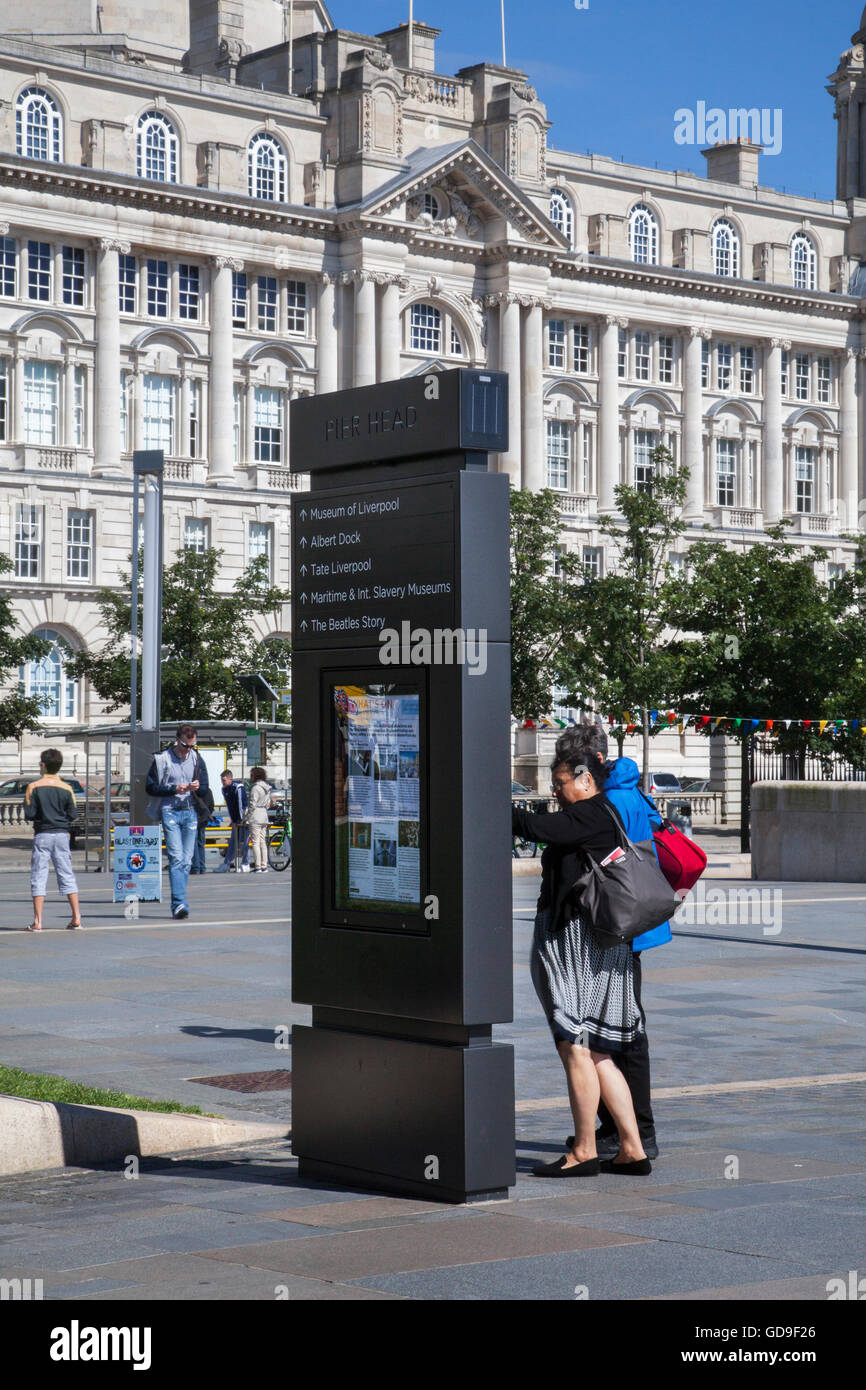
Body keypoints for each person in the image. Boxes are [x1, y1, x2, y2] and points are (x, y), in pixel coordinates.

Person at [512, 749, 651, 1177]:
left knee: (574, 1043)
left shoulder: (589, 813)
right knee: (597, 1052)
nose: (556, 791)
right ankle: (631, 1147)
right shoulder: (599, 812)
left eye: (560, 783)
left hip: (575, 942)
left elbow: (535, 827)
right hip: (597, 941)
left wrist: (486, 798)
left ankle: (585, 1149)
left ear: (586, 778)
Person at [555, 721, 669, 1161]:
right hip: (630, 921)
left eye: (570, 770)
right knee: (621, 1029)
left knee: (618, 1034)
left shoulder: (610, 801)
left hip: (616, 925)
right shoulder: (631, 792)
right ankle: (626, 1131)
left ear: (595, 764)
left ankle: (632, 1131)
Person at [145, 723, 209, 919]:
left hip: (190, 811)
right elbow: (150, 787)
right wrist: (173, 789)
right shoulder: (162, 759)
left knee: (187, 860)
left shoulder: (197, 759)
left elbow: (206, 788)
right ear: (177, 741)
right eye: (185, 745)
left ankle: (180, 901)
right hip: (170, 811)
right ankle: (179, 904)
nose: (188, 750)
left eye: (192, 745)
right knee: (176, 858)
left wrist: (198, 786)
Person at [23, 748, 81, 932]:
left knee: (39, 875)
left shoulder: (33, 787)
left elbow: (30, 813)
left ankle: (38, 921)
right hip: (62, 834)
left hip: (43, 834)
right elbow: (73, 814)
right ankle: (76, 917)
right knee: (66, 873)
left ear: (43, 765)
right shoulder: (67, 788)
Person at [214, 769, 250, 873]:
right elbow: (230, 807)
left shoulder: (237, 787)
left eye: (224, 780)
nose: (223, 782)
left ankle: (245, 863)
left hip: (244, 817)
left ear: (230, 779)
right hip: (235, 819)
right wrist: (233, 821)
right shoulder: (224, 789)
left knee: (244, 841)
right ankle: (227, 863)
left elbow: (240, 804)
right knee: (232, 841)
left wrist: (239, 820)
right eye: (222, 780)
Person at [247, 766, 271, 873]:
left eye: (251, 775)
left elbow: (252, 804)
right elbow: (268, 804)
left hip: (256, 816)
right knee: (263, 842)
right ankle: (264, 865)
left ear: (255, 776)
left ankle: (257, 866)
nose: (250, 777)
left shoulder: (255, 788)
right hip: (264, 815)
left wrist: (247, 817)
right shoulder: (267, 788)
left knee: (255, 842)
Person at [190, 784, 215, 874]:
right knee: (201, 843)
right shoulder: (208, 790)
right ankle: (202, 867)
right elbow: (212, 805)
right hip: (204, 819)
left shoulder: (193, 790)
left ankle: (196, 867)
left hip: (194, 818)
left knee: (194, 843)